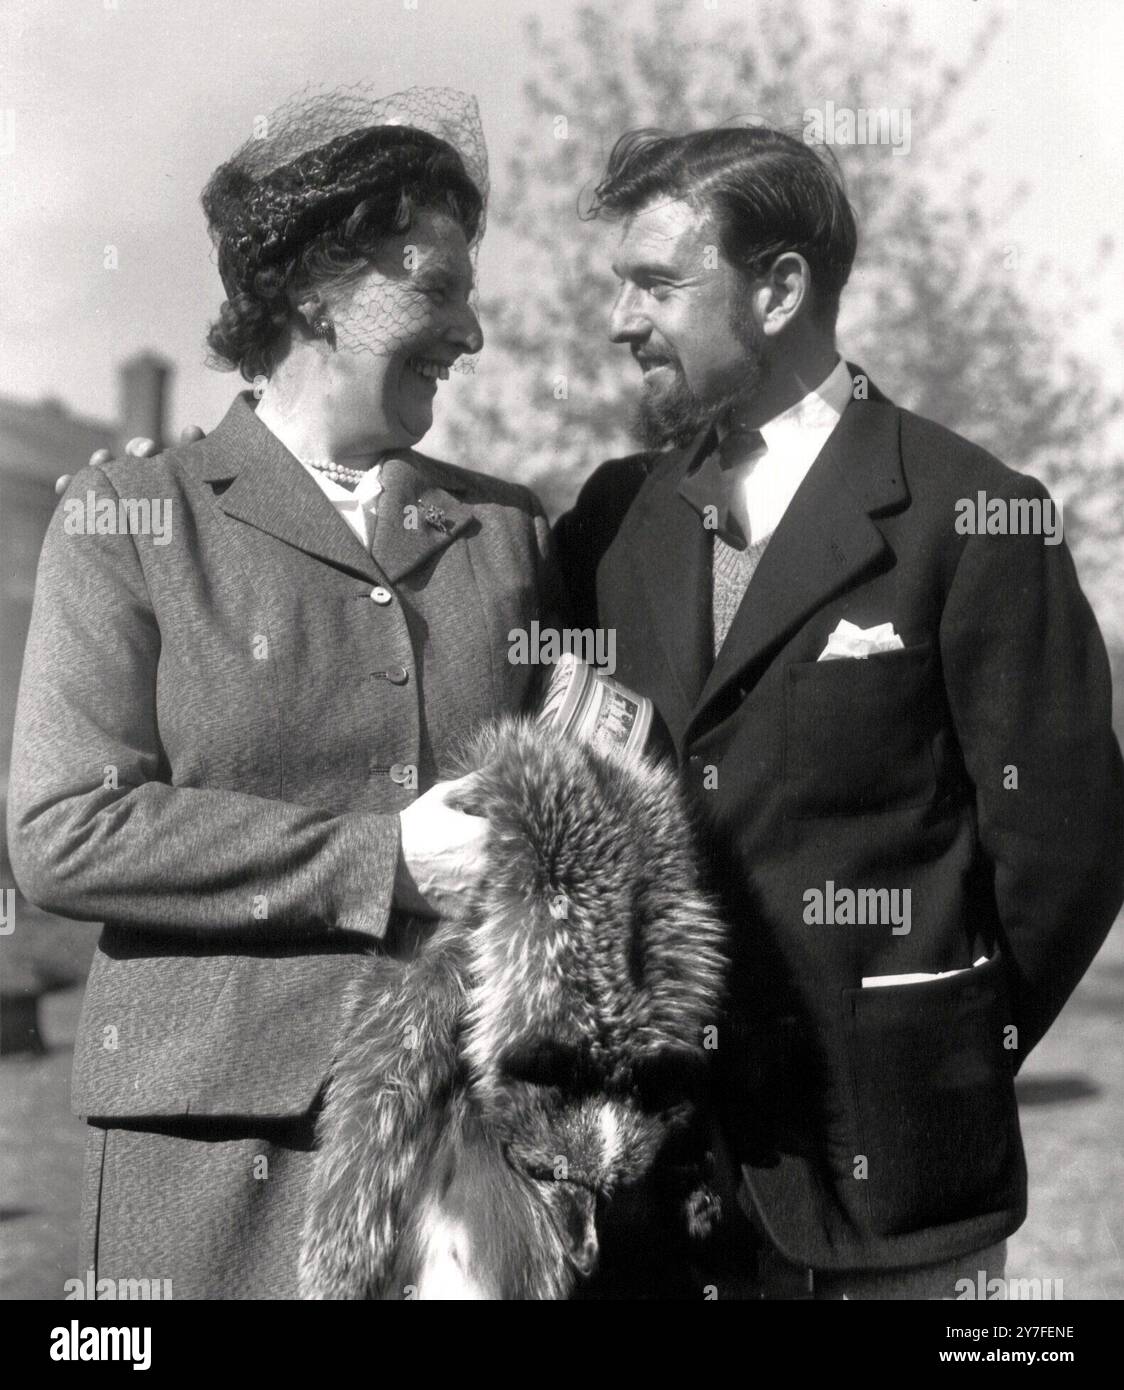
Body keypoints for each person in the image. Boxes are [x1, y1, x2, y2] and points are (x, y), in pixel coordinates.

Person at [551, 125, 1124, 1298]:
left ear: (777, 289)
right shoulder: (610, 519)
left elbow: (1062, 853)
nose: (618, 319)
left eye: (655, 282)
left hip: (894, 1199)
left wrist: (933, 1042)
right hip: (651, 1200)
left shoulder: (975, 516)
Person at [7, 87, 558, 1299]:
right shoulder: (131, 519)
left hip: (460, 1161)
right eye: (435, 285)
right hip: (210, 1162)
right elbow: (63, 833)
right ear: (314, 285)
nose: (470, 331)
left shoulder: (508, 533)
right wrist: (381, 861)